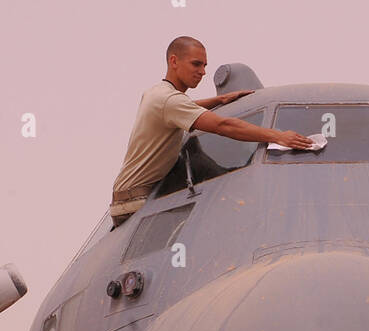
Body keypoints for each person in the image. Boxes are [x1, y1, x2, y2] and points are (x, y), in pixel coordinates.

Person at [110, 36, 314, 227]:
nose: (203, 72)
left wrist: (218, 100)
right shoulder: (170, 101)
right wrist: (278, 136)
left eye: (205, 65)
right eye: (196, 64)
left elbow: (182, 107)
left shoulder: (157, 94)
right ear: (174, 61)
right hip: (136, 201)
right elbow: (223, 126)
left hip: (126, 197)